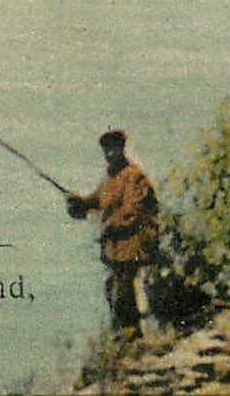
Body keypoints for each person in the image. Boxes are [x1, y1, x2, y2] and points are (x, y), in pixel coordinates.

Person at [66, 129, 157, 335]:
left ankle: (131, 334)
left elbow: (132, 212)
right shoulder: (110, 179)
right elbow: (97, 201)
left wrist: (108, 225)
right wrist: (80, 202)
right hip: (118, 248)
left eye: (113, 150)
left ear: (121, 149)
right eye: (106, 151)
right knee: (115, 289)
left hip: (134, 245)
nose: (109, 154)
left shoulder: (134, 176)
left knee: (122, 289)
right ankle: (126, 333)